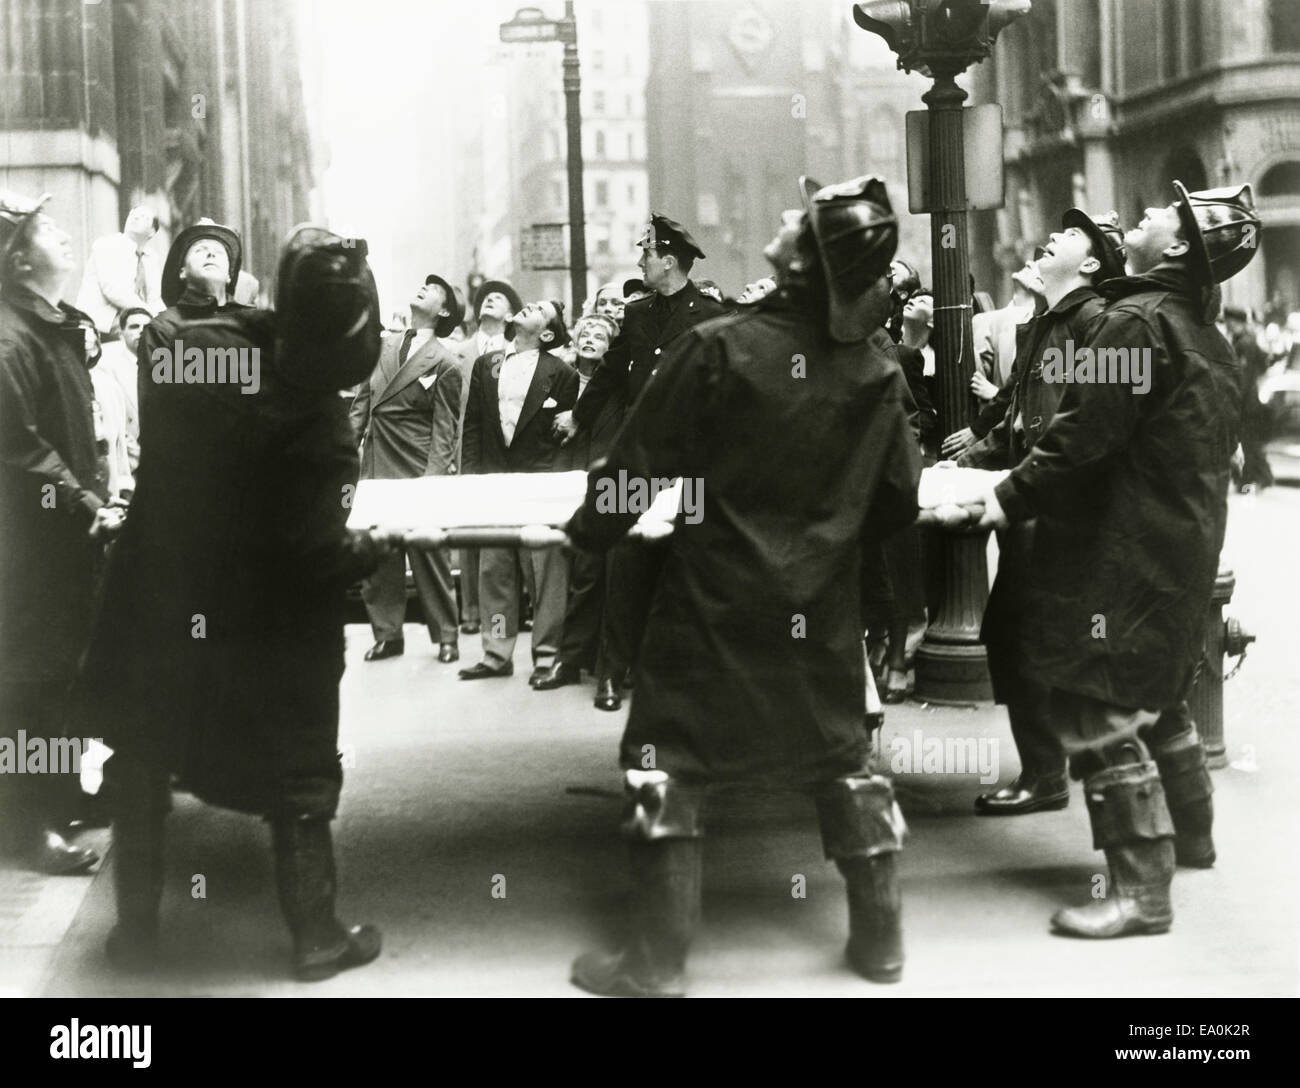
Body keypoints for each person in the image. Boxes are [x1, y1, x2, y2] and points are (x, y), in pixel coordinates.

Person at [566, 175, 921, 997]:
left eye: (803, 220)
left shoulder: (718, 349)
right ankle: (881, 943)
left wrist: (589, 534)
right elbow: (898, 503)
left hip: (708, 606)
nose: (788, 218)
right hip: (820, 615)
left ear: (804, 261)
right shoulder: (872, 373)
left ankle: (656, 963)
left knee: (668, 765)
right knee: (844, 759)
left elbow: (633, 470)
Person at [76, 226, 391, 980]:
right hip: (269, 631)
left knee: (144, 761)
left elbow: (188, 338)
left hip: (164, 596)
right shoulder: (319, 424)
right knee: (299, 779)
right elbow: (310, 553)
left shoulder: (198, 349)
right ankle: (316, 939)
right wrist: (373, 547)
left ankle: (139, 934)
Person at [974, 181, 1261, 937]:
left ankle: (1142, 889)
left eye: (1164, 213)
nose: (1144, 214)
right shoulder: (1208, 335)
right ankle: (1194, 838)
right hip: (1182, 545)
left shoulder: (1135, 323)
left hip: (1122, 549)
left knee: (1095, 702)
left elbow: (1078, 438)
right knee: (1160, 694)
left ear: (1175, 247)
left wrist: (1008, 496)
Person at [958, 210, 1127, 815]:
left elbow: (1077, 434)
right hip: (1034, 509)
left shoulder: (1093, 325)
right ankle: (1051, 769)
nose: (1055, 233)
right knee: (1015, 637)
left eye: (1075, 234)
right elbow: (1016, 422)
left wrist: (1009, 490)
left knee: (1046, 644)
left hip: (1061, 517)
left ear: (1089, 264)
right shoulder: (1046, 325)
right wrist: (967, 464)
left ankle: (1063, 775)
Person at [0, 192, 117, 876]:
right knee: (25, 686)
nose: (62, 234)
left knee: (63, 673)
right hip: (25, 548)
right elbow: (18, 451)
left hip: (58, 536)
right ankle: (23, 825)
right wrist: (83, 504)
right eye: (44, 228)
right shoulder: (10, 338)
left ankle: (64, 793)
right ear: (18, 263)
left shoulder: (50, 327)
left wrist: (93, 498)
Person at [567, 213, 727, 711]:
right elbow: (612, 375)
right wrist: (578, 417)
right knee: (621, 561)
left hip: (693, 460)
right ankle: (612, 673)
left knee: (691, 556)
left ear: (668, 261)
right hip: (636, 457)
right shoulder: (635, 315)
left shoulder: (710, 314)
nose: (640, 261)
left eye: (646, 253)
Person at [459, 300, 578, 682]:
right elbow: (474, 426)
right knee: (494, 574)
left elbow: (561, 438)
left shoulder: (562, 373)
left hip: (538, 485)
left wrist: (552, 486)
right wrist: (472, 477)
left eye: (540, 308)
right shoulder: (486, 364)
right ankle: (496, 653)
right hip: (494, 483)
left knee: (545, 573)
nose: (529, 305)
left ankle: (546, 654)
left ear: (546, 334)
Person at [349, 274, 464, 663]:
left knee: (428, 552)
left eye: (434, 290)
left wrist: (434, 479)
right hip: (377, 461)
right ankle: (387, 633)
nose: (422, 288)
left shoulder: (446, 362)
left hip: (417, 466)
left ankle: (447, 635)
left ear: (444, 310)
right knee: (380, 552)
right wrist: (347, 454)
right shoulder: (382, 346)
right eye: (423, 285)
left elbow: (446, 427)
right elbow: (360, 408)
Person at [534, 312, 622, 691]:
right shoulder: (560, 379)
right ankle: (567, 659)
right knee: (571, 573)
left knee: (605, 573)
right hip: (565, 480)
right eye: (585, 332)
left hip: (607, 484)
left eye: (600, 334)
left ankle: (606, 666)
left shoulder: (619, 385)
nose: (590, 338)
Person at [450, 279, 523, 636]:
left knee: (506, 532)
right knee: (470, 530)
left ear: (510, 314)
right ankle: (471, 612)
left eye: (500, 298)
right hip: (467, 445)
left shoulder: (518, 351)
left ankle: (511, 611)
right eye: (486, 298)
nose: (491, 300)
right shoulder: (455, 351)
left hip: (506, 448)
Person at [137, 218, 246, 426]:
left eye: (219, 251)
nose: (211, 253)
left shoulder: (250, 328)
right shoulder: (164, 329)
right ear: (182, 271)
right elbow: (159, 411)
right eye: (199, 250)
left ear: (230, 276)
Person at [75, 206, 163, 335]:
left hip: (134, 319)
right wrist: (150, 315)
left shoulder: (151, 257)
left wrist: (165, 319)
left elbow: (154, 298)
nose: (136, 217)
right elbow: (114, 291)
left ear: (152, 231)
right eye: (133, 214)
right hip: (100, 322)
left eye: (144, 217)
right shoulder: (107, 245)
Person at [1223, 305, 1274, 491]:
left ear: (1236, 323)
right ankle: (1259, 477)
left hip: (1245, 403)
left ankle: (1248, 480)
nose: (1228, 325)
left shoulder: (1244, 343)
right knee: (1251, 442)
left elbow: (1242, 377)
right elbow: (1263, 365)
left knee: (1248, 442)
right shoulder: (1247, 340)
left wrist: (1235, 400)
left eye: (1229, 322)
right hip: (1251, 401)